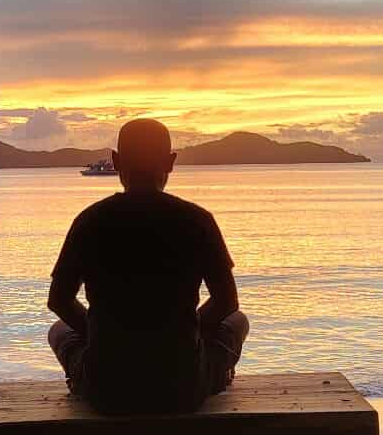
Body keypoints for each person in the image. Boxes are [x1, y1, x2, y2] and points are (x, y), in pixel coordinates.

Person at [47, 117, 250, 415]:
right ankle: (217, 375)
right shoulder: (197, 220)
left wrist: (100, 333)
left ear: (116, 161)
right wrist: (189, 329)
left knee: (59, 331)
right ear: (170, 162)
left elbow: (59, 301)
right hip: (182, 389)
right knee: (238, 322)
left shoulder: (90, 220)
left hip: (106, 390)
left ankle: (80, 378)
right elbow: (227, 302)